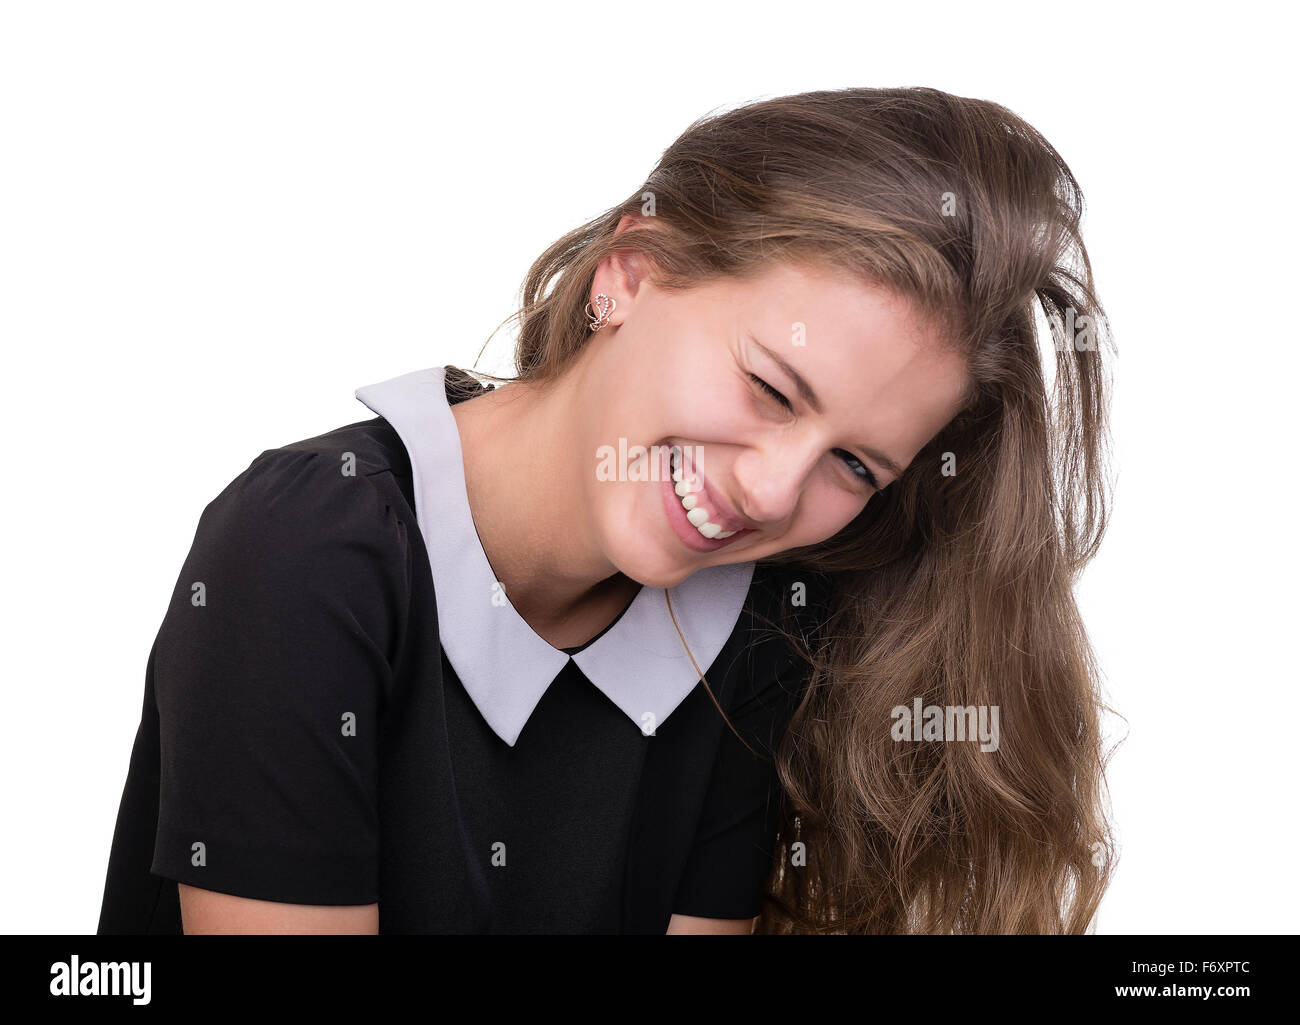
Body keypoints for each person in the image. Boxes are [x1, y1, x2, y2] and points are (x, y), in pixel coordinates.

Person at [98, 85, 1116, 934]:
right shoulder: (308, 550)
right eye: (770, 388)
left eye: (852, 463)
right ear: (630, 274)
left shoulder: (750, 632)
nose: (769, 492)